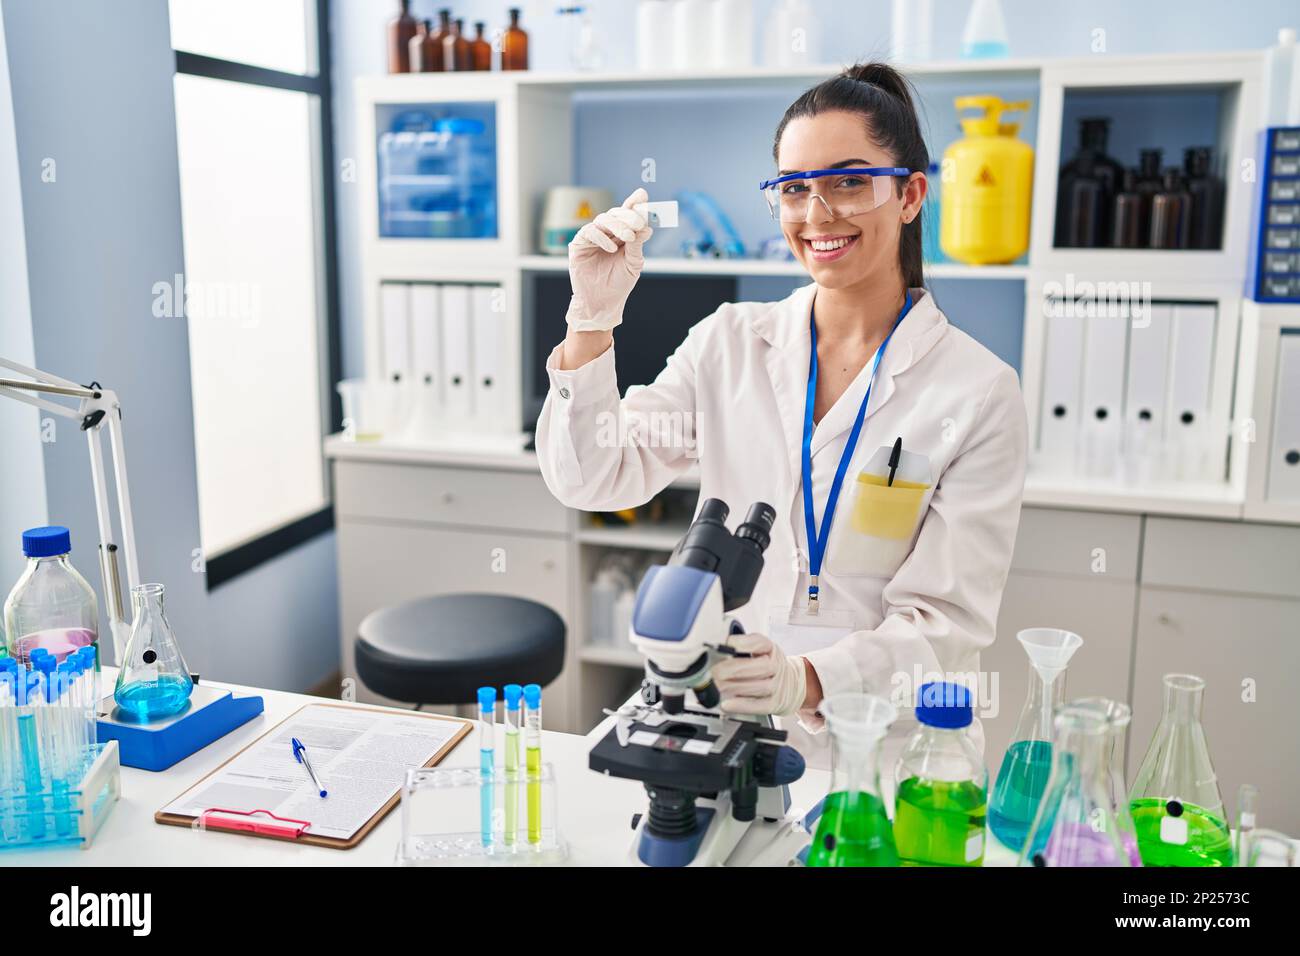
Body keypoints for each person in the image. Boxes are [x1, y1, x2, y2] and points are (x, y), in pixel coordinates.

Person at [536, 61, 1027, 767]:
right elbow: (593, 479)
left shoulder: (976, 391)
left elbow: (945, 621)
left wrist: (808, 679)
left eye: (850, 181)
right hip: (727, 722)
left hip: (887, 751)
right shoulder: (729, 343)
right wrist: (591, 315)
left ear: (912, 195)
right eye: (793, 189)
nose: (817, 214)